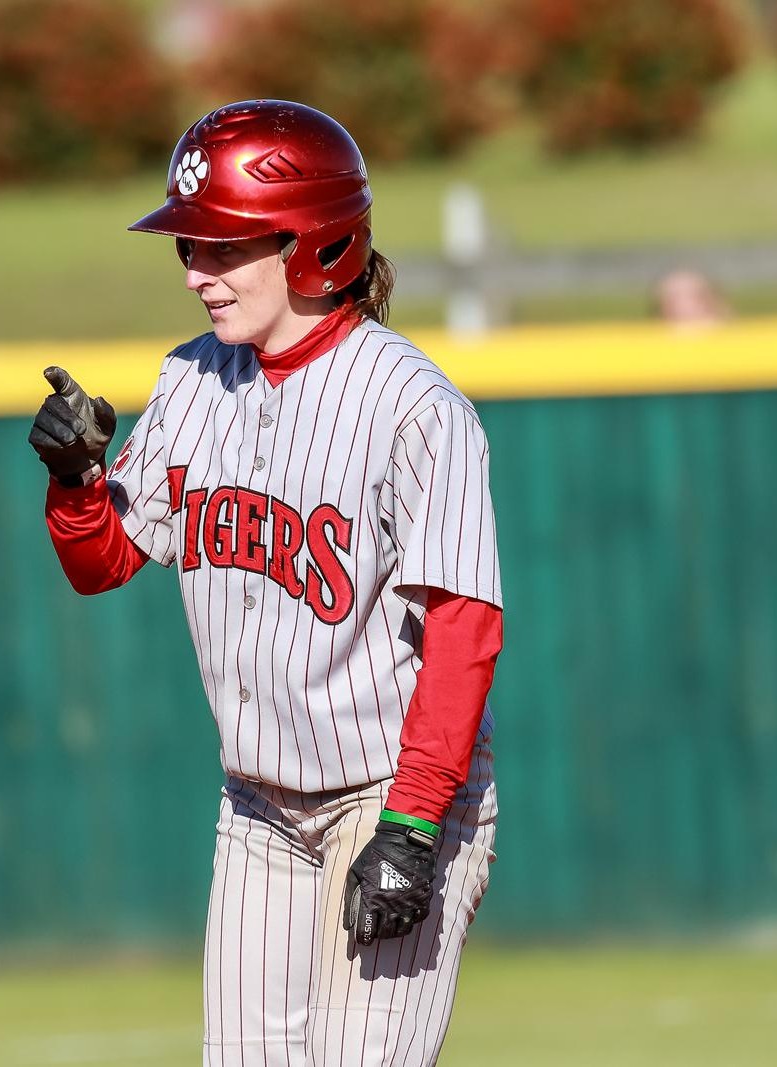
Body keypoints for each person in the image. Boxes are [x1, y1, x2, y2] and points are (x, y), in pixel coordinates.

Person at [28, 100, 503, 1066]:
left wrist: (413, 825)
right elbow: (106, 563)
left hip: (389, 797)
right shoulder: (192, 381)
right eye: (188, 248)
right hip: (255, 808)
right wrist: (76, 480)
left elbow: (463, 628)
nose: (197, 272)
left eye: (223, 247)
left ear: (313, 242)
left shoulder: (412, 405)